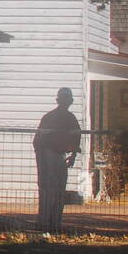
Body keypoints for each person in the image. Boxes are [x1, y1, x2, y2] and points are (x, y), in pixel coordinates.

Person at [33, 88, 81, 233]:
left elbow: (76, 137)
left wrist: (72, 155)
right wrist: (42, 159)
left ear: (71, 101)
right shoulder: (49, 117)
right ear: (58, 100)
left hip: (61, 156)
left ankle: (55, 223)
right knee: (48, 189)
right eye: (63, 98)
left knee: (59, 191)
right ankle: (44, 223)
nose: (66, 101)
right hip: (49, 155)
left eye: (68, 99)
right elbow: (38, 140)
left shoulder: (71, 118)